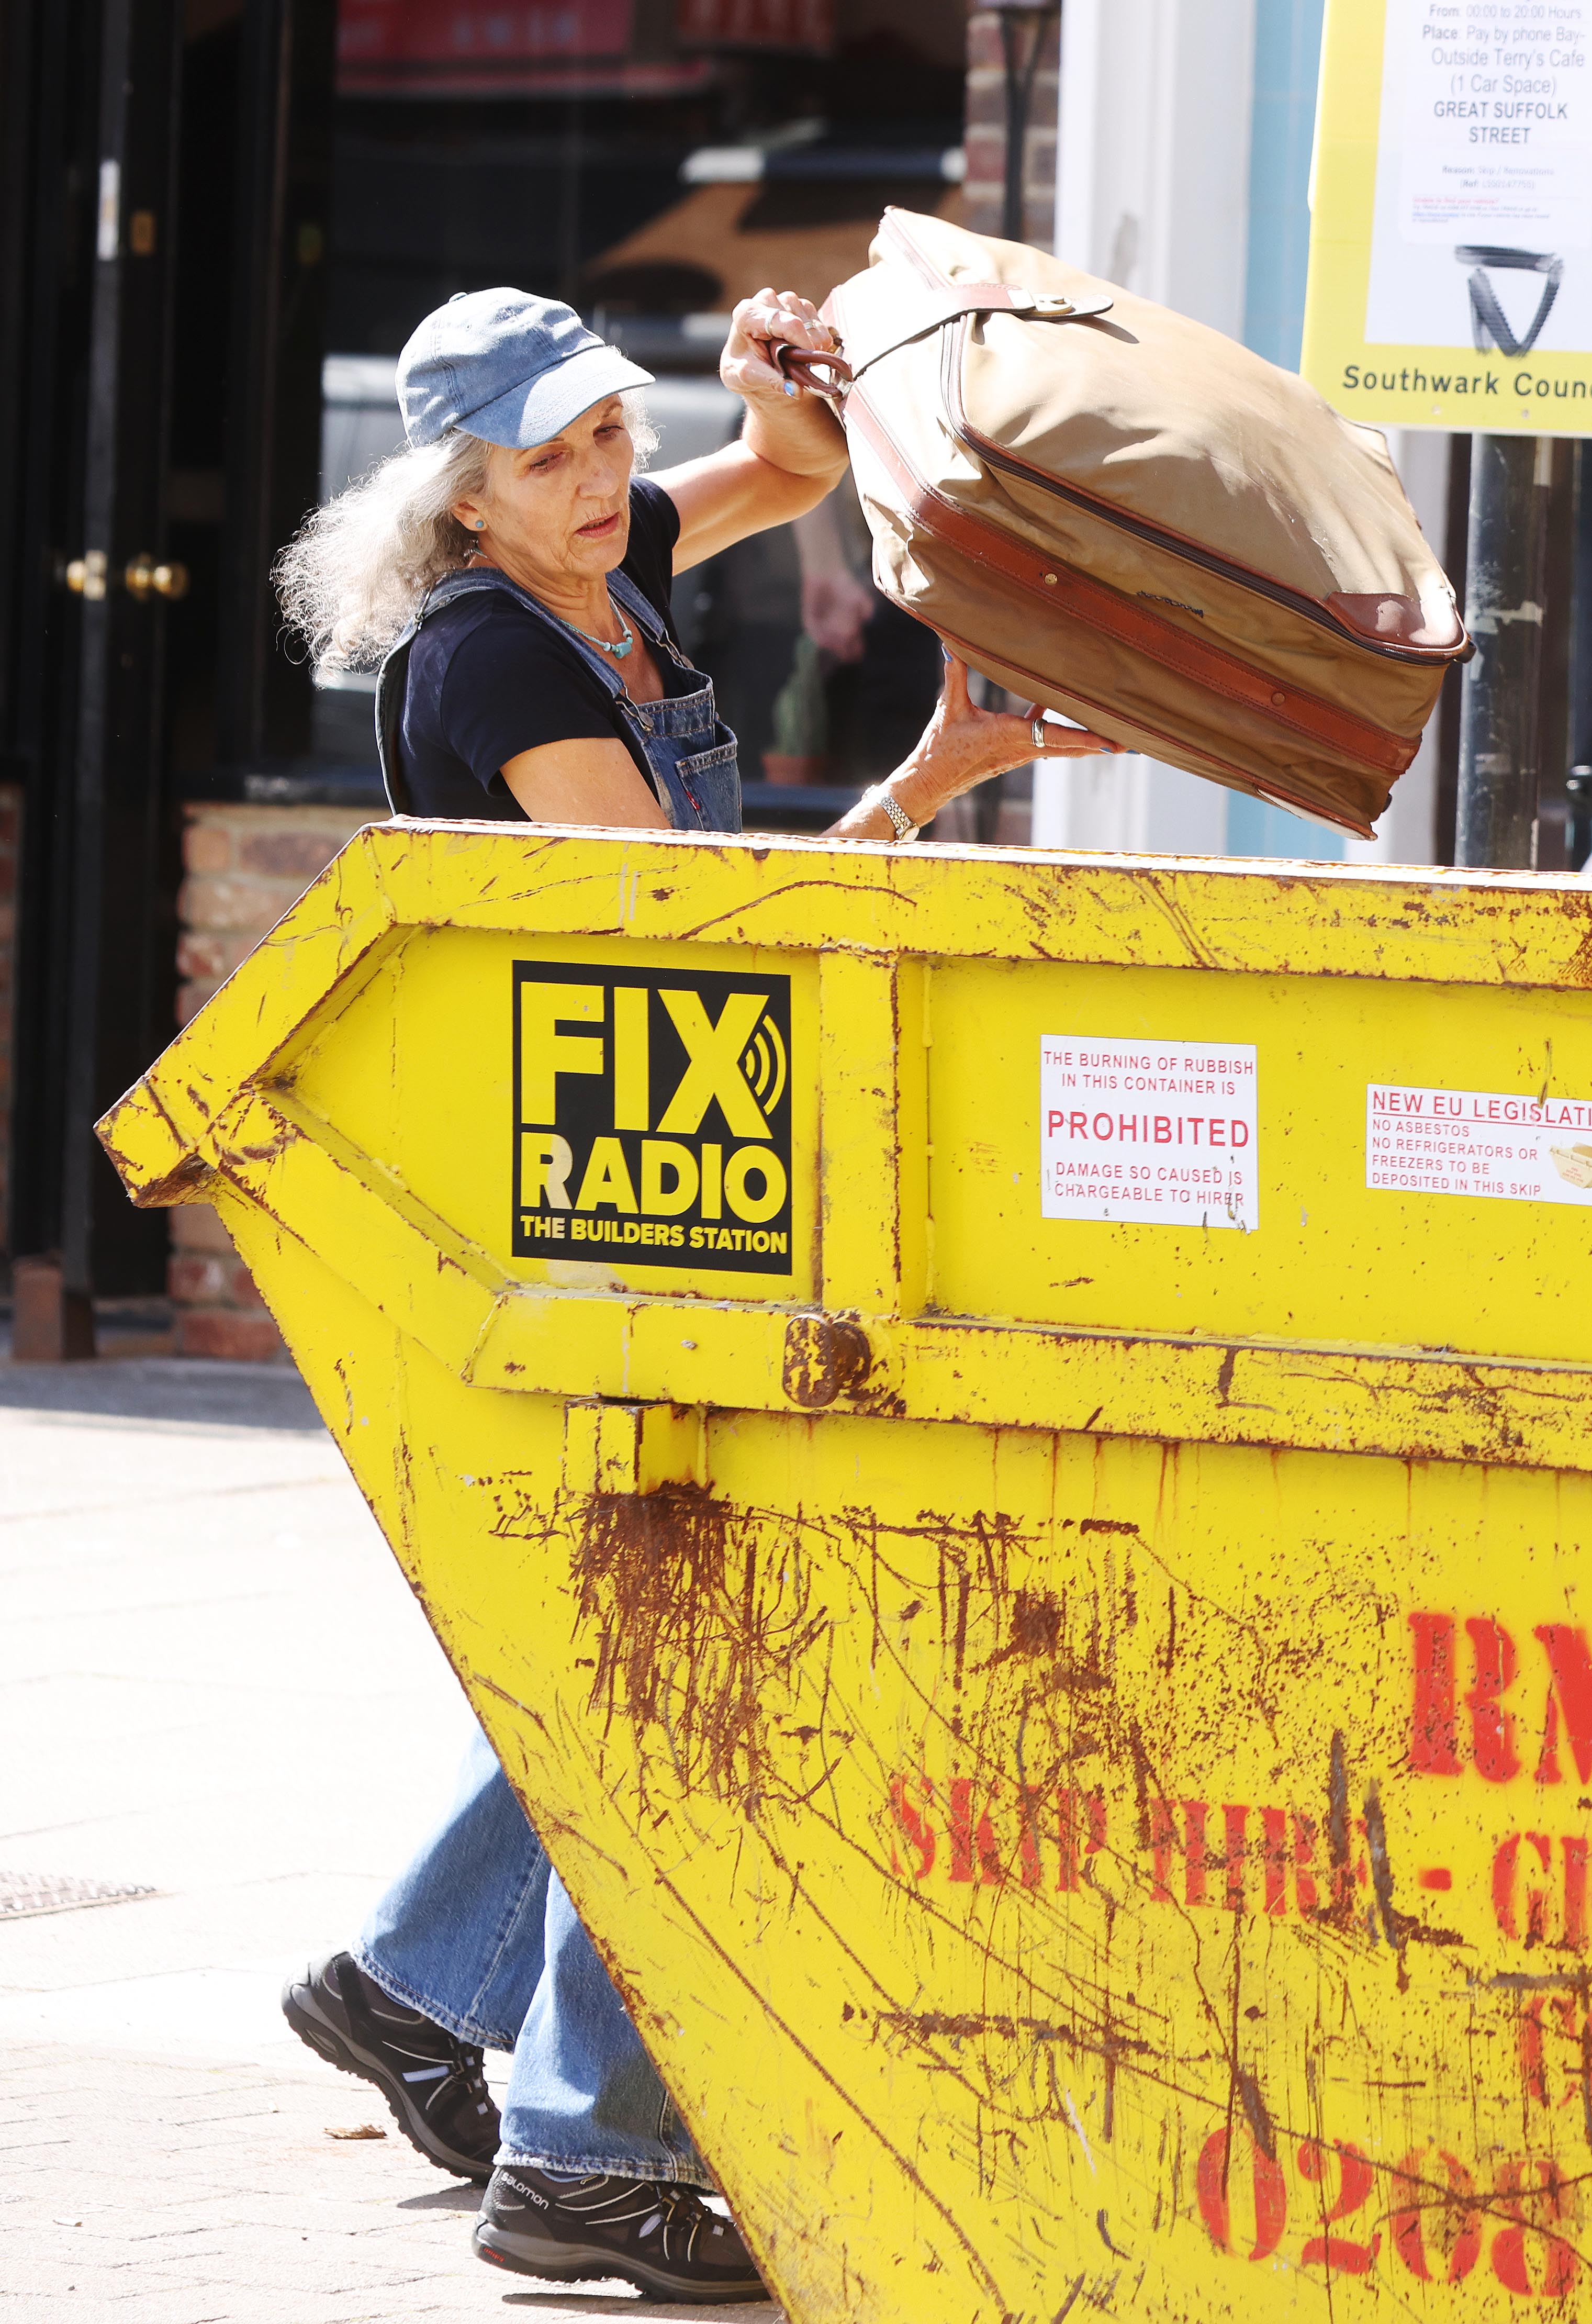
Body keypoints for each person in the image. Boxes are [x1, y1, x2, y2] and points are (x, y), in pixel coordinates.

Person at [275, 282, 1115, 2302]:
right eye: (552, 458)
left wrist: (769, 391)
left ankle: (414, 1989)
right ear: (462, 494)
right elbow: (700, 948)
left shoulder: (609, 566)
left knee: (644, 1618)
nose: (604, 479)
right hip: (594, 1187)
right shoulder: (494, 660)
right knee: (676, 1636)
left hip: (675, 1170)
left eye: (608, 436)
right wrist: (926, 780)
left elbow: (796, 475)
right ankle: (581, 2151)